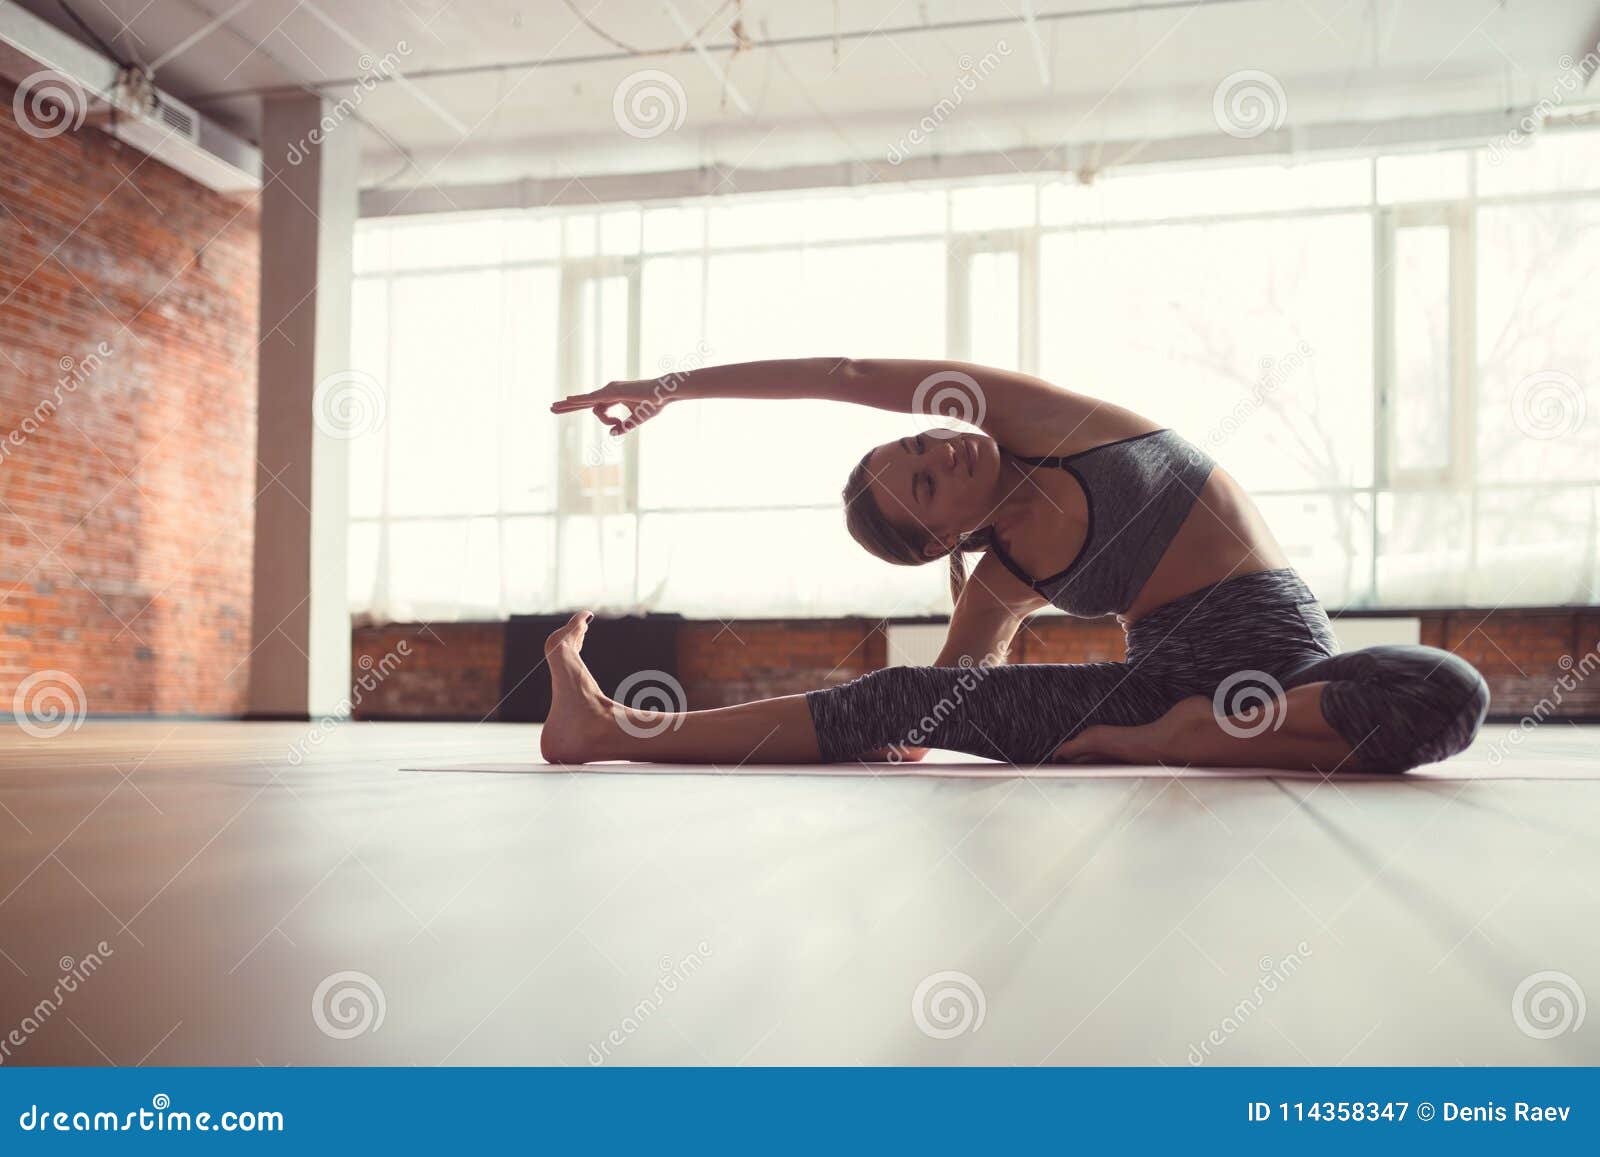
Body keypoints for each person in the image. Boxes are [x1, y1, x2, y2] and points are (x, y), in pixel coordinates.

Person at [542, 358, 1489, 773]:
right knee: (902, 691)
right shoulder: (1003, 576)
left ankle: (1195, 739)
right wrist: (896, 725)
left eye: (920, 439)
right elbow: (948, 693)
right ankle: (612, 727)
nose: (939, 450)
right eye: (923, 481)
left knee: (1449, 693)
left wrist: (664, 385)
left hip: (1287, 672)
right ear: (943, 542)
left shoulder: (1043, 428)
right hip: (1153, 697)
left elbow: (838, 371)